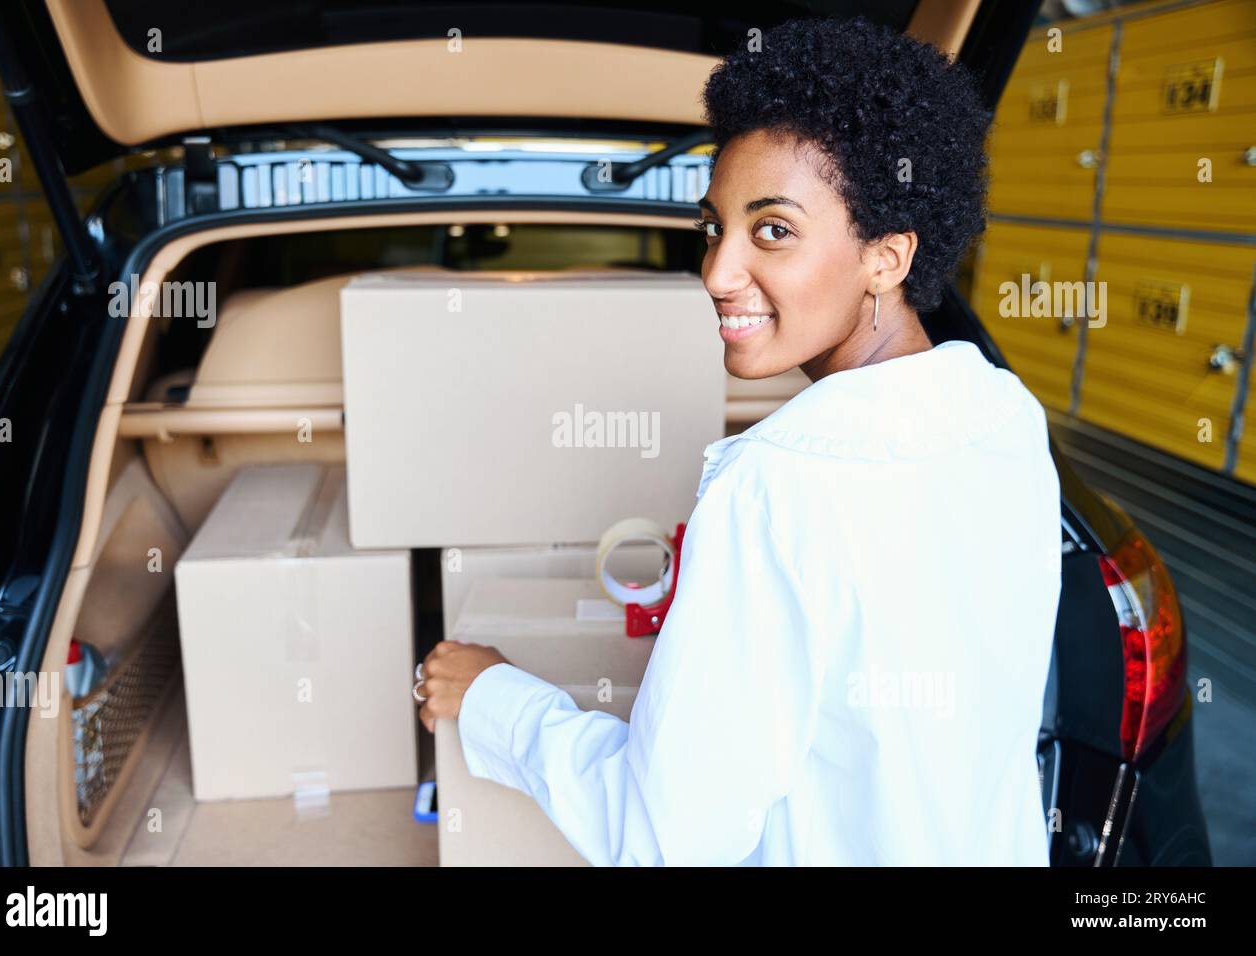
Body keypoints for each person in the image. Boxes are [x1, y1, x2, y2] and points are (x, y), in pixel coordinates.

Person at [412, 15, 1061, 866]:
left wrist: (492, 698)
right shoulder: (1008, 416)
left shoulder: (774, 486)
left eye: (774, 230)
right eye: (714, 227)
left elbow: (664, 836)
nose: (717, 273)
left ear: (887, 256)